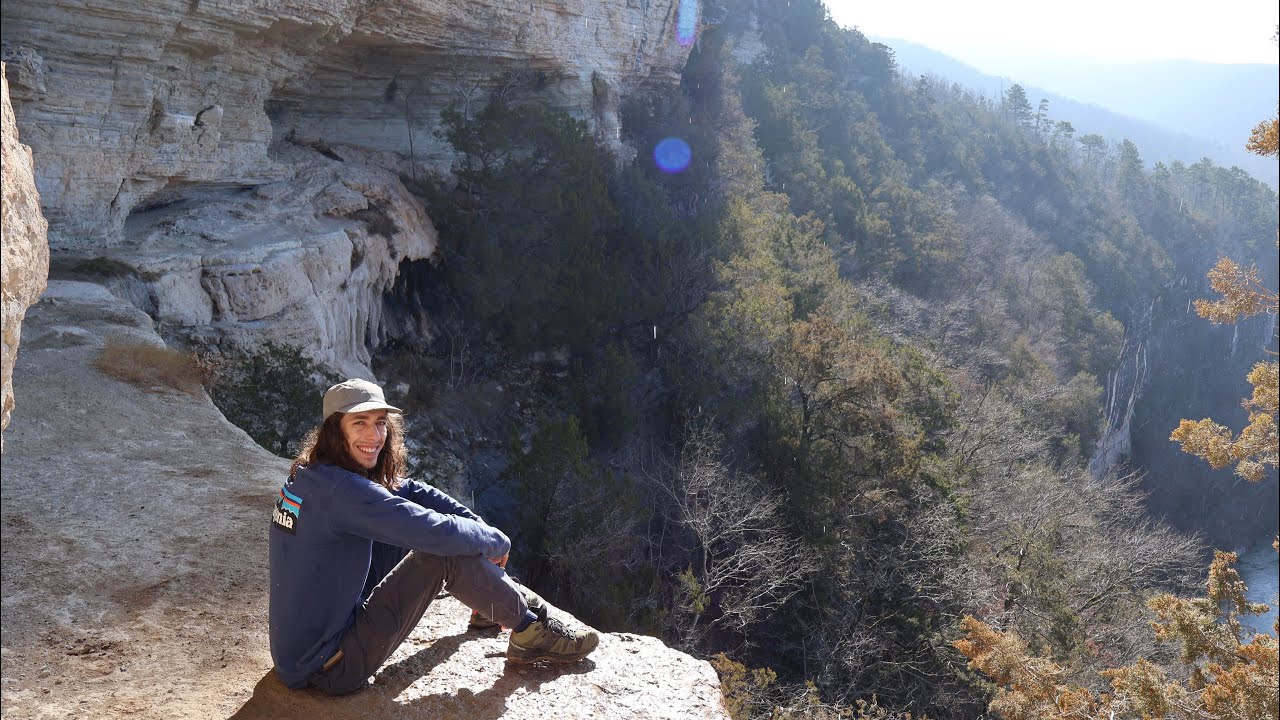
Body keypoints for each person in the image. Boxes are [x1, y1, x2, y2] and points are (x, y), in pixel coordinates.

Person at [268, 378, 598, 695]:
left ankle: (490, 602)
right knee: (444, 551)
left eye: (381, 422)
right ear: (334, 431)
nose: (375, 435)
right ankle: (528, 629)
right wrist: (494, 541)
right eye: (359, 423)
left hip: (301, 652)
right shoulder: (344, 493)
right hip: (330, 668)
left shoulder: (315, 475)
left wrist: (475, 523)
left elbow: (406, 491)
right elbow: (435, 532)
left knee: (439, 531)